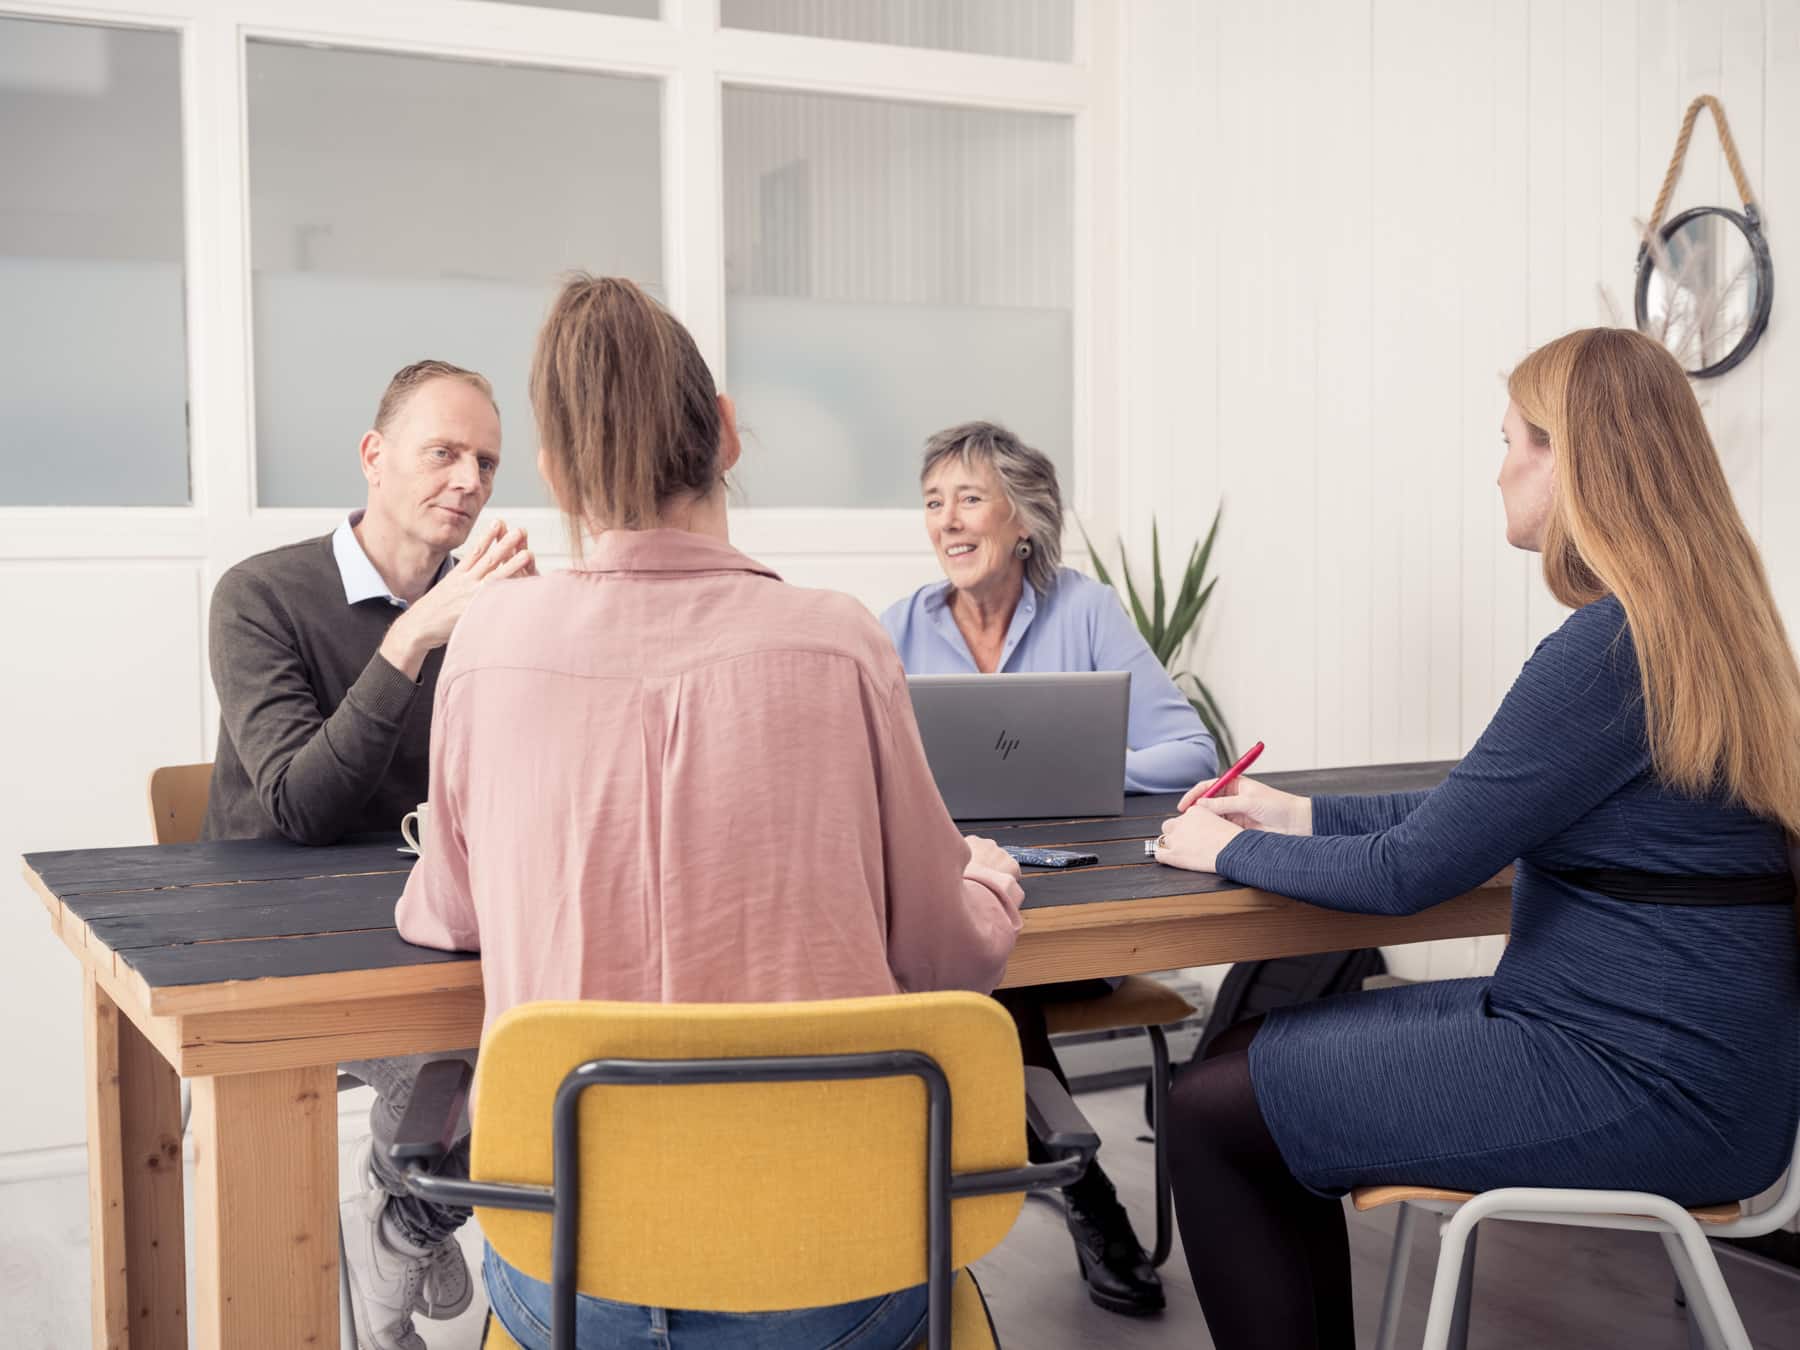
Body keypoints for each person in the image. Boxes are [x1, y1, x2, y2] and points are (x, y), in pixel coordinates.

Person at [395, 275, 1026, 1350]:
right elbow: (944, 955)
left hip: (570, 1291)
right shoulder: (841, 640)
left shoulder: (486, 643)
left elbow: (450, 916)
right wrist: (987, 878)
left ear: (554, 472)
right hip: (839, 1282)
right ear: (726, 433)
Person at [1155, 327, 1800, 1350]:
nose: (1499, 470)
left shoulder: (1607, 648)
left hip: (1635, 1079)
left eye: (1511, 442)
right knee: (1242, 1063)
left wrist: (1221, 851)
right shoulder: (1707, 627)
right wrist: (1296, 814)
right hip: (1710, 1075)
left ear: (1571, 458)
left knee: (1209, 1109)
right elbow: (1487, 804)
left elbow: (1412, 872)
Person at [202, 359, 535, 1350]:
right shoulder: (259, 595)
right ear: (374, 456)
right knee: (461, 1059)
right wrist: (415, 635)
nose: (469, 482)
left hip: (436, 927)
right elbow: (300, 806)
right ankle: (413, 1211)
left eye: (487, 463)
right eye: (444, 453)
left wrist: (548, 640)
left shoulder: (489, 605)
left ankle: (402, 1219)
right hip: (285, 941)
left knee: (563, 1036)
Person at [880, 421, 1219, 1316]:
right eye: (934, 502)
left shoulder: (1086, 612)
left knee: (997, 971)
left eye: (970, 498)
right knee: (983, 958)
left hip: (1074, 911)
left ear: (1023, 519)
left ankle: (1072, 1186)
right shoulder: (897, 628)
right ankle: (1085, 1190)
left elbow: (1193, 752)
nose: (948, 521)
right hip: (963, 900)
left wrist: (1086, 766)